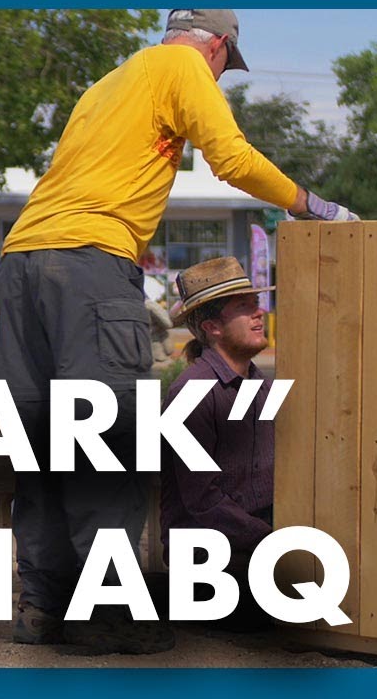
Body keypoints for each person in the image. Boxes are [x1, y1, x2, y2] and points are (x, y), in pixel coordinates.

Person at [0, 9, 359, 653]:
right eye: (226, 65)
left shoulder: (108, 84)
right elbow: (231, 158)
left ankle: (42, 605)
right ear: (218, 45)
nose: (220, 77)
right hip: (90, 260)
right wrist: (313, 205)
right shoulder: (184, 66)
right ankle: (107, 614)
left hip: (22, 259)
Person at [161, 257, 274, 631]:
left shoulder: (264, 387)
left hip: (252, 547)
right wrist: (271, 540)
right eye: (243, 308)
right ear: (213, 328)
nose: (259, 314)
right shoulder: (191, 393)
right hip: (209, 560)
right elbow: (202, 499)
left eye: (256, 305)